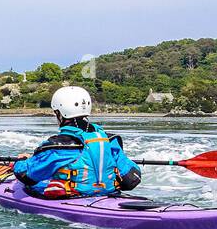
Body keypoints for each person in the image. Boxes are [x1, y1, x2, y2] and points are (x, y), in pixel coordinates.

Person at [12, 85, 142, 198]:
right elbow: (132, 179)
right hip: (109, 194)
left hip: (73, 196)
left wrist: (20, 162)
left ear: (59, 113)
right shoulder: (109, 140)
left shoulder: (59, 146)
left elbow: (27, 174)